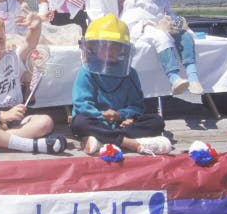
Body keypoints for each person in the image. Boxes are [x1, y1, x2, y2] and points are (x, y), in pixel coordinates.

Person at [0, 13, 65, 155]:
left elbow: (29, 43)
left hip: (16, 118)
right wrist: (1, 115)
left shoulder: (12, 58)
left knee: (46, 122)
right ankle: (31, 145)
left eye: (1, 40)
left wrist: (36, 27)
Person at [70, 14, 172, 156]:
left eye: (115, 47)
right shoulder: (86, 71)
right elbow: (81, 104)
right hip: (96, 119)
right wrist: (101, 115)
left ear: (123, 49)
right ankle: (128, 142)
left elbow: (137, 105)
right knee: (79, 123)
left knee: (157, 121)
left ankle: (101, 139)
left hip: (121, 122)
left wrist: (124, 115)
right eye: (104, 46)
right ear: (92, 47)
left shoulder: (130, 73)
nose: (110, 51)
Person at [121, 0, 203, 95]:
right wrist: (146, 26)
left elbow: (169, 14)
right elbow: (129, 21)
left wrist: (176, 22)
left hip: (163, 28)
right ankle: (174, 78)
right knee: (161, 37)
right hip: (145, 31)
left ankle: (193, 77)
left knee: (184, 36)